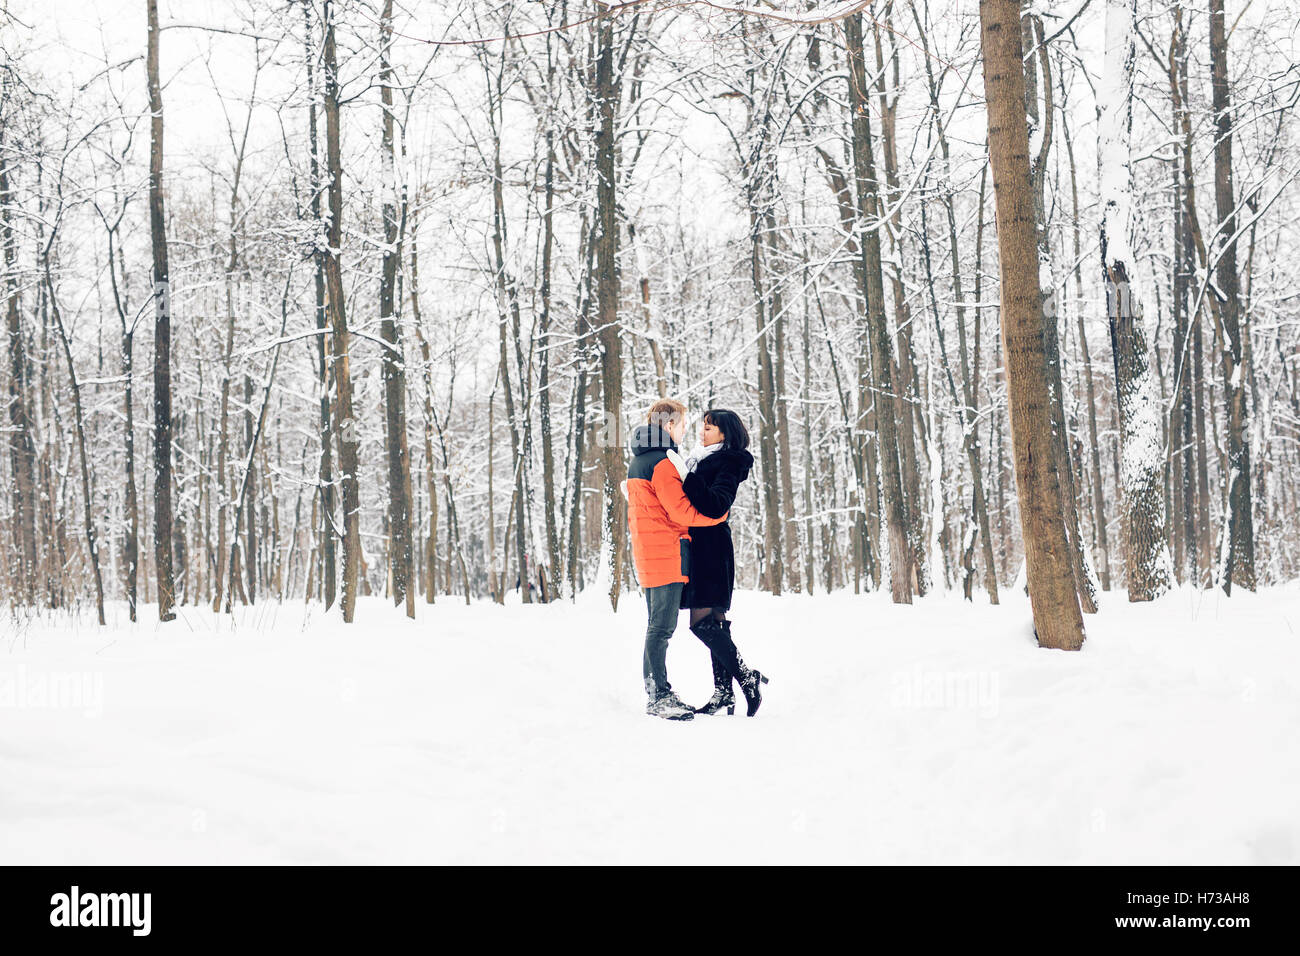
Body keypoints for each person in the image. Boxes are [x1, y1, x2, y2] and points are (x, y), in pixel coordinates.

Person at [625, 399, 727, 720]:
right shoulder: (664, 462)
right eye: (683, 424)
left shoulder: (639, 459)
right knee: (661, 628)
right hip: (667, 552)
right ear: (669, 426)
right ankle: (658, 696)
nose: (686, 430)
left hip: (648, 552)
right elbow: (680, 510)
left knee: (656, 626)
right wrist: (717, 517)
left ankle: (658, 691)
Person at [680, 409, 769, 716]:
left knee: (701, 624)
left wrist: (687, 477)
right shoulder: (701, 458)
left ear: (724, 433)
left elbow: (717, 504)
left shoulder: (728, 462)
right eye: (702, 426)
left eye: (709, 427)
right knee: (715, 624)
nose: (701, 431)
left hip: (712, 549)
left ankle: (746, 677)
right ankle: (723, 694)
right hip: (703, 547)